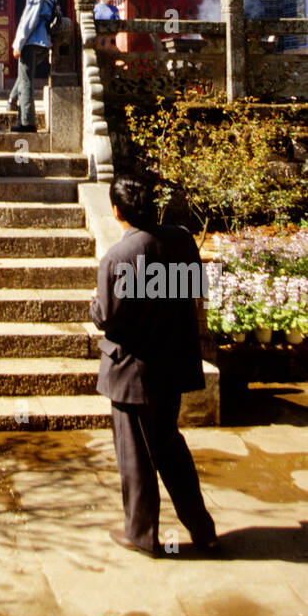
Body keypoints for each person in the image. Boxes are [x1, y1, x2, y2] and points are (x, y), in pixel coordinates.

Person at [91, 174, 218, 558]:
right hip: (172, 366)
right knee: (171, 451)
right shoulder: (180, 239)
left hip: (133, 372)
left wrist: (93, 305)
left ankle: (142, 534)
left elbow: (108, 317)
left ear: (116, 211)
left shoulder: (118, 257)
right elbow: (197, 291)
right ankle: (202, 529)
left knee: (136, 458)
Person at [8, 0, 55, 133]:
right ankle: (12, 99)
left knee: (26, 81)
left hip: (31, 42)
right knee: (25, 75)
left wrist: (17, 44)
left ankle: (27, 122)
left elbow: (27, 23)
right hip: (44, 43)